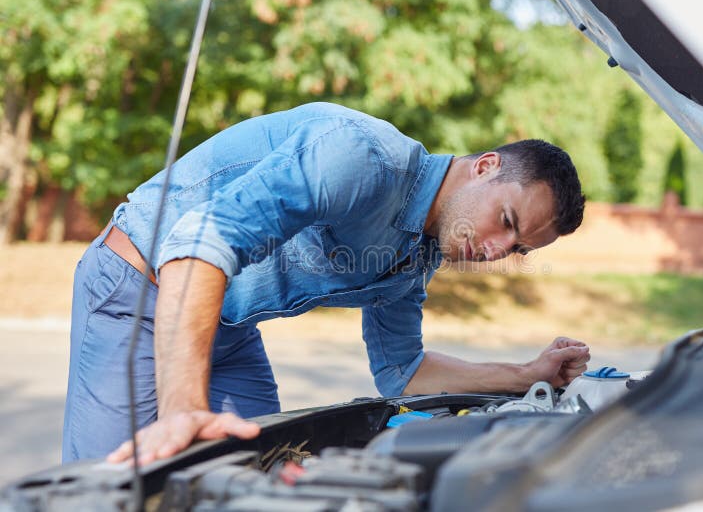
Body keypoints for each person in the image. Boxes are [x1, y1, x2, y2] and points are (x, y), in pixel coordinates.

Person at [62, 102, 590, 465]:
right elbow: (196, 245)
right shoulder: (360, 158)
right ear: (487, 167)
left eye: (517, 249)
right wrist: (185, 411)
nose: (498, 251)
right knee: (111, 490)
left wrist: (525, 374)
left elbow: (402, 373)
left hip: (223, 318)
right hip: (138, 286)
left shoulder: (419, 255)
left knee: (260, 469)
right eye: (508, 222)